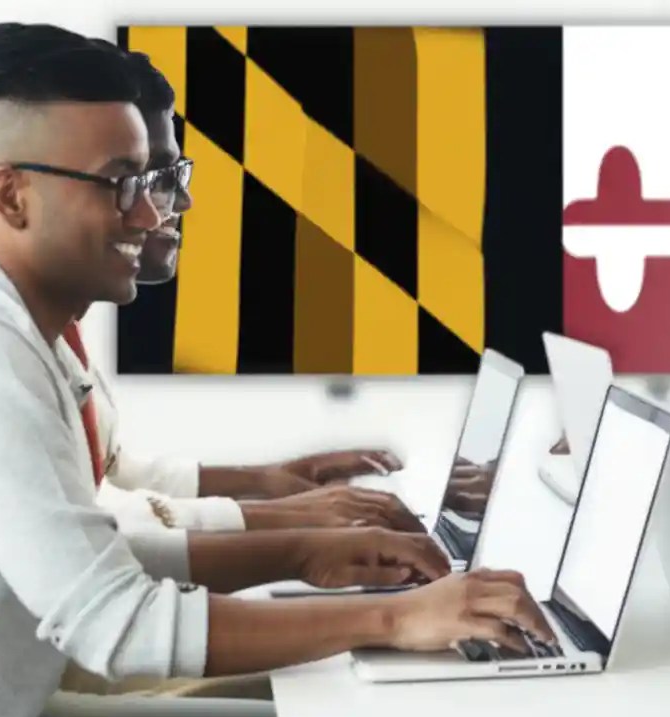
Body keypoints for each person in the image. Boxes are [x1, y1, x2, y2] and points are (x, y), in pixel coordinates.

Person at [0, 23, 554, 717]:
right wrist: (396, 618)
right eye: (120, 184)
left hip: (25, 692)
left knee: (355, 690)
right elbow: (120, 622)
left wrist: (303, 553)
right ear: (11, 198)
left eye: (151, 182)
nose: (151, 213)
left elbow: (98, 556)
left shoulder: (13, 330)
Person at [63, 49, 423, 537]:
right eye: (144, 180)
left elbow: (110, 473)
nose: (168, 206)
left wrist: (272, 482)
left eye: (166, 178)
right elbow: (94, 528)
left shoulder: (60, 332)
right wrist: (294, 527)